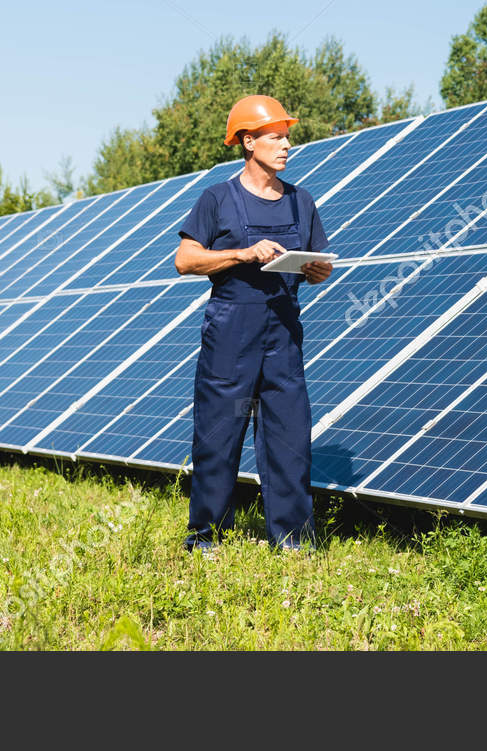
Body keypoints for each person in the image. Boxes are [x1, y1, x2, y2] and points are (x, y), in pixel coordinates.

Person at [174, 94, 334, 553]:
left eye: (288, 137)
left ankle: (293, 540)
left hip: (283, 333)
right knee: (218, 436)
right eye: (276, 137)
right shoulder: (217, 198)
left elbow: (320, 263)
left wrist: (318, 271)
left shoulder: (302, 202)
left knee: (289, 436)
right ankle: (205, 537)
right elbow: (185, 260)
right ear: (248, 141)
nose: (286, 146)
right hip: (230, 335)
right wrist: (241, 254)